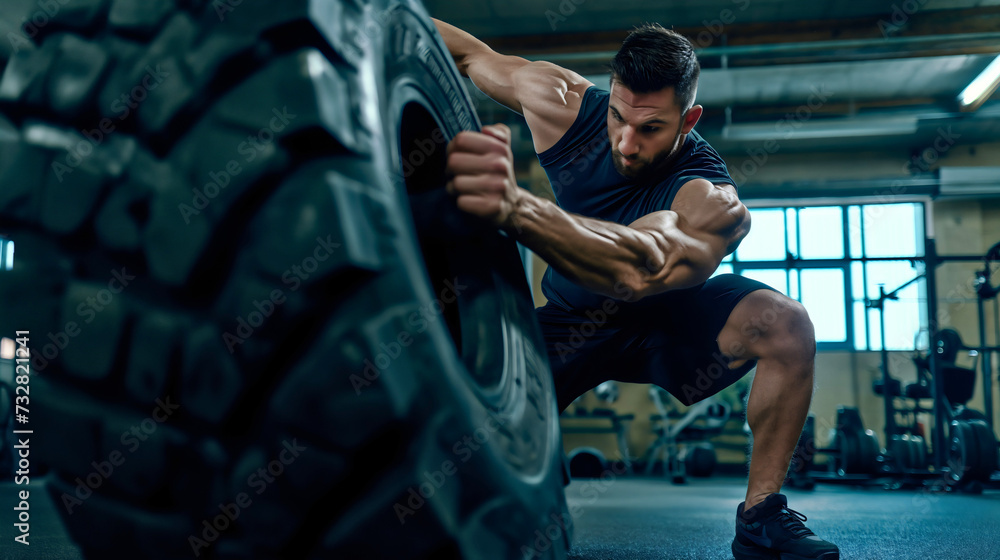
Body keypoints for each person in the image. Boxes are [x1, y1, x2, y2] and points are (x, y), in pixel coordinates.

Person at [433, 18, 839, 560]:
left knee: (786, 323)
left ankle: (761, 518)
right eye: (618, 118)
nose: (626, 142)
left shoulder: (709, 197)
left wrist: (519, 209)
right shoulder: (560, 102)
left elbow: (639, 270)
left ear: (688, 119)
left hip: (666, 319)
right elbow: (466, 53)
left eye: (650, 128)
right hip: (571, 319)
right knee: (464, 426)